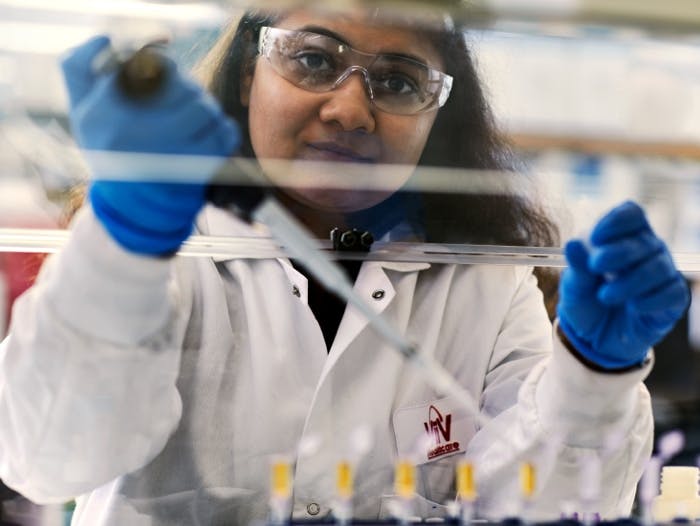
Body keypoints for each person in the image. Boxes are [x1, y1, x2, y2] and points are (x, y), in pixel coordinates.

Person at [0, 6, 689, 526]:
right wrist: (126, 244)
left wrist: (594, 373)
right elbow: (46, 461)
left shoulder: (483, 276)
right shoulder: (162, 244)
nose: (351, 109)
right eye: (313, 61)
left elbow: (545, 507)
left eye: (397, 81)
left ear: (437, 115)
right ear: (249, 72)